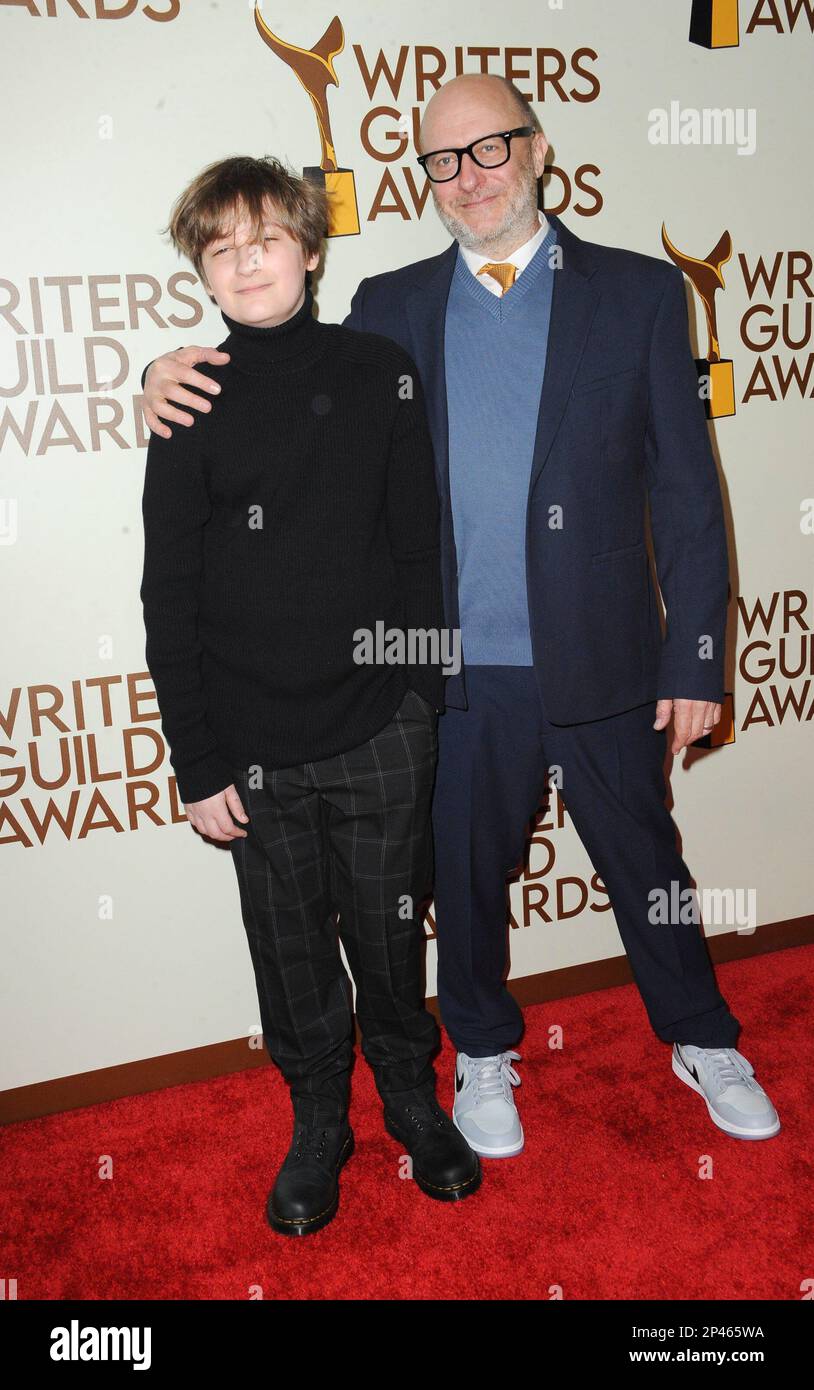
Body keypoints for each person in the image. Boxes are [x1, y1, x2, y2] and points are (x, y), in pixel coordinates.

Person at [140, 76, 780, 1152]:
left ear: (537, 152)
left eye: (490, 150)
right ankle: (481, 1051)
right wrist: (163, 374)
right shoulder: (389, 307)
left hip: (605, 658)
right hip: (447, 670)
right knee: (465, 882)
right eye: (444, 160)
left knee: (649, 869)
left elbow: (684, 490)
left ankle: (702, 1033)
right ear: (425, 179)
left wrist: (695, 658)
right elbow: (286, 370)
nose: (468, 176)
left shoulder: (637, 294)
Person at [139, 153, 480, 1238]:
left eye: (265, 240)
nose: (246, 263)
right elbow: (169, 593)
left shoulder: (380, 368)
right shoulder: (188, 396)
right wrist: (196, 761)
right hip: (250, 748)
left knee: (388, 942)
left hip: (382, 723)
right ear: (203, 267)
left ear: (310, 248)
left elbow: (418, 547)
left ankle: (414, 1102)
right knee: (288, 953)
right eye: (221, 248)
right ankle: (318, 1123)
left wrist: (422, 694)